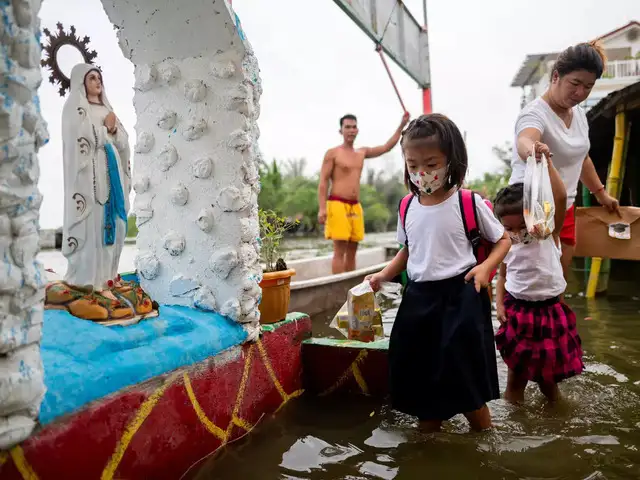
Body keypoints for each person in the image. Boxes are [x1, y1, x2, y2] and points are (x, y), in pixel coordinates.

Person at [367, 114, 511, 432]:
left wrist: (486, 268)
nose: (422, 173)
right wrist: (382, 276)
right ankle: (427, 443)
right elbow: (408, 251)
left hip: (462, 295)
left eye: (431, 163)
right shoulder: (407, 207)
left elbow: (504, 239)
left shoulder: (468, 202)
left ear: (451, 160)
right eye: (413, 164)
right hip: (419, 300)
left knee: (466, 379)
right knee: (422, 378)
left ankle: (484, 439)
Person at [509, 41, 620, 277]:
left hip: (564, 208)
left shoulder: (578, 114)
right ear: (556, 76)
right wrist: (533, 150)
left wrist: (601, 194)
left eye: (588, 87)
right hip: (529, 209)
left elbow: (582, 158)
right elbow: (524, 140)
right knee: (528, 284)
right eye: (575, 84)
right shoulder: (535, 113)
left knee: (558, 281)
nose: (580, 93)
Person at [494, 143, 584, 403]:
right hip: (518, 312)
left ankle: (556, 429)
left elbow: (560, 197)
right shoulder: (506, 243)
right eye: (509, 227)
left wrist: (547, 163)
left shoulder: (546, 233)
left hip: (549, 312)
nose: (518, 232)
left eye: (522, 225)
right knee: (515, 384)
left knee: (550, 386)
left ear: (533, 216)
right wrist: (499, 304)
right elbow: (501, 276)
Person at [318, 112, 410, 274]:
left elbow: (386, 147)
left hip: (355, 206)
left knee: (353, 249)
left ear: (357, 130)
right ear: (341, 131)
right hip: (337, 203)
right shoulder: (333, 153)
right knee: (340, 250)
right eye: (347, 127)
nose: (351, 130)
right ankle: (338, 289)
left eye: (354, 127)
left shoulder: (361, 153)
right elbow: (323, 181)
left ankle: (348, 285)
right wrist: (322, 208)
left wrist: (402, 125)